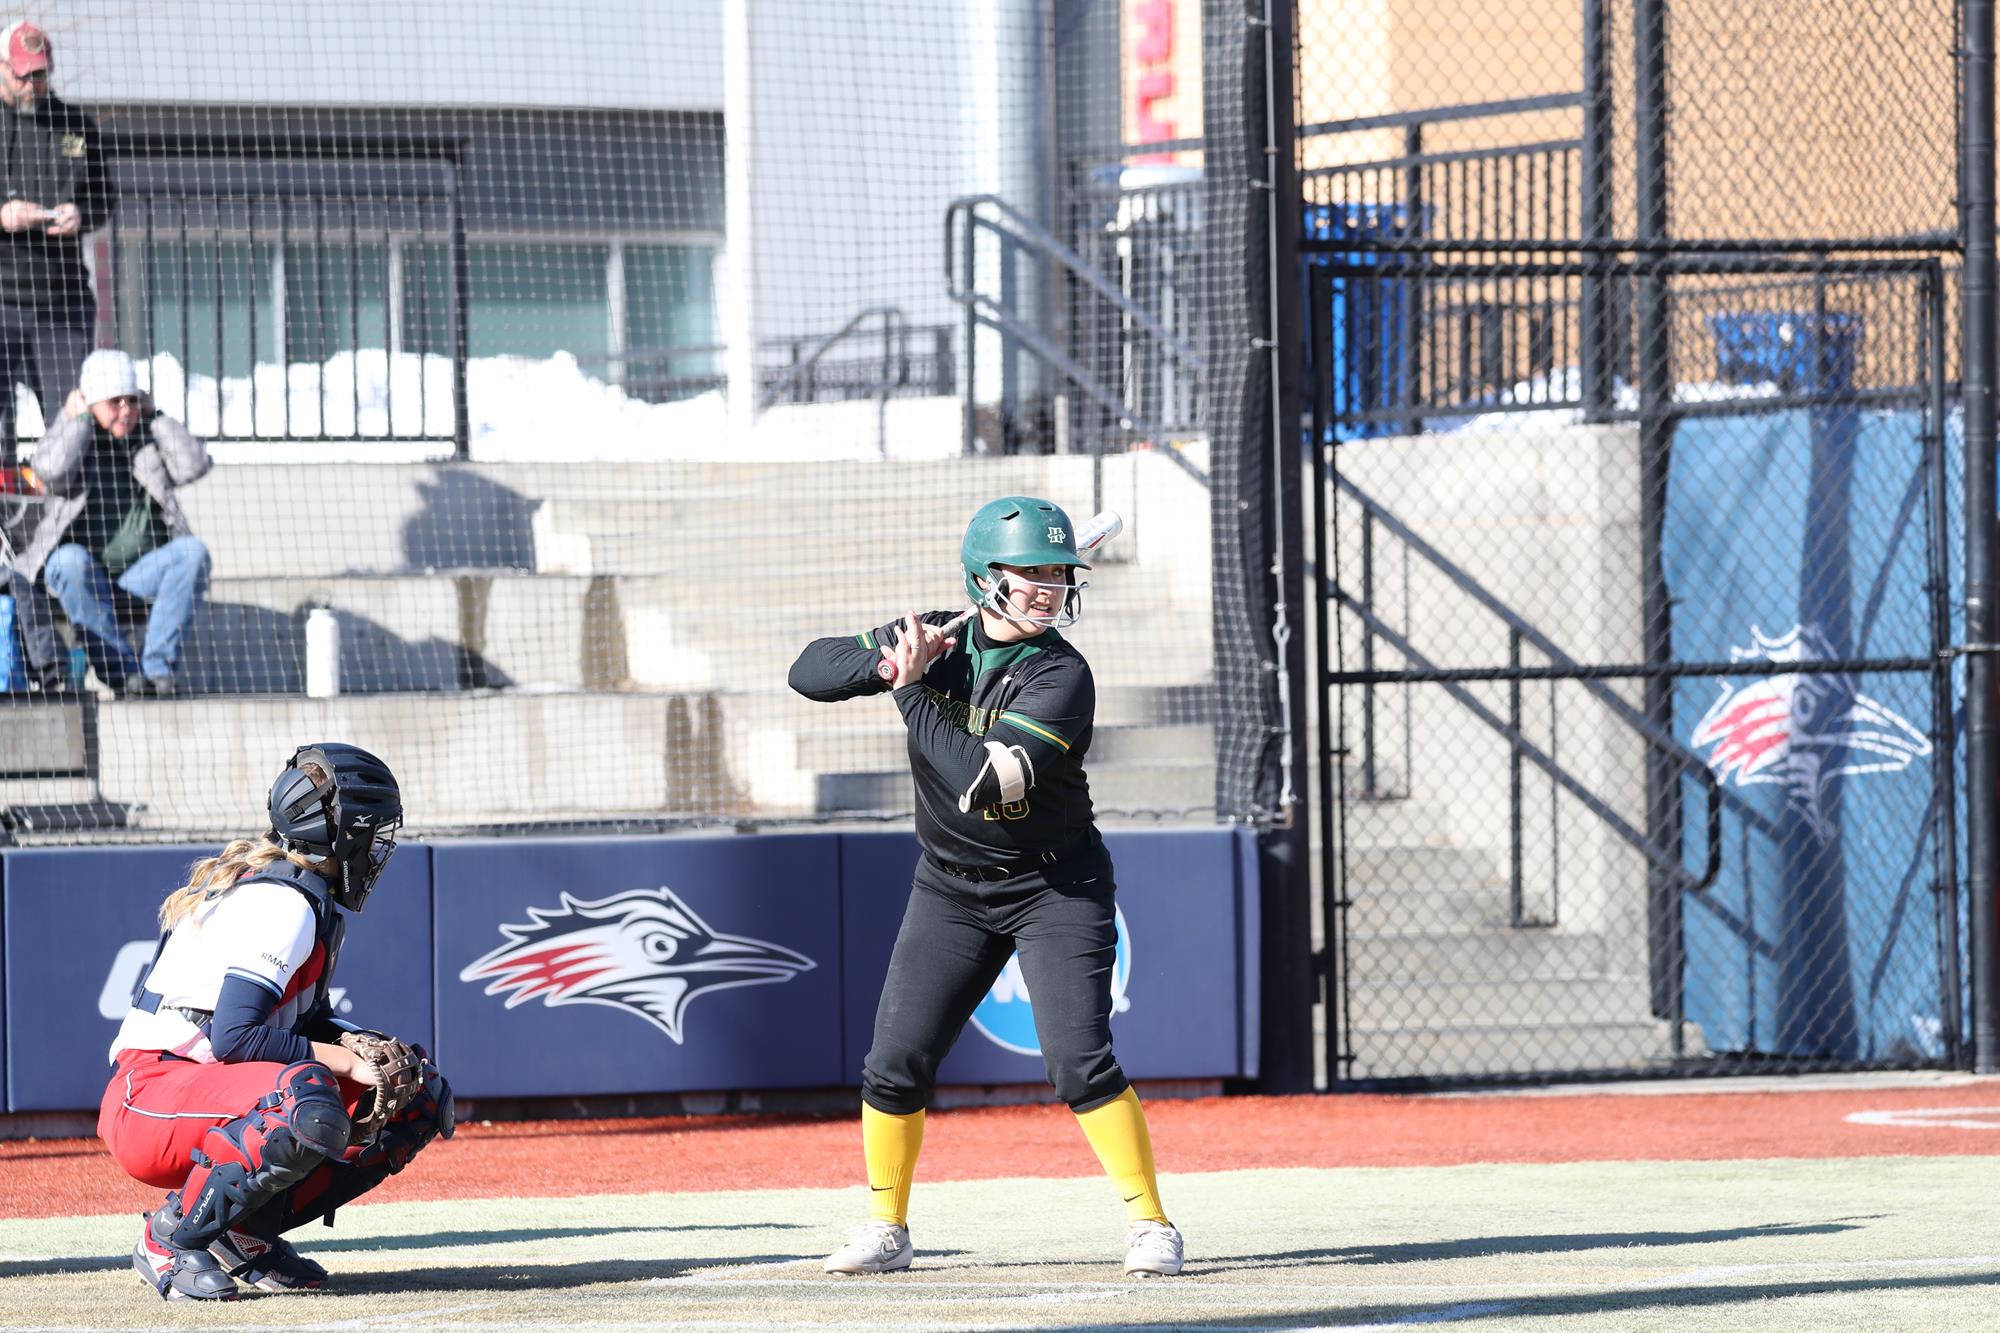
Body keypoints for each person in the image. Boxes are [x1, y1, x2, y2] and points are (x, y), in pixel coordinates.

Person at [788, 495, 1184, 1279]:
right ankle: (887, 1226)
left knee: (1079, 1062)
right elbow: (806, 671)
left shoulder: (1062, 674)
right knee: (893, 1059)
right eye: (1030, 572)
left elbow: (979, 778)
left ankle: (1151, 1223)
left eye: (1057, 572)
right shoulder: (944, 636)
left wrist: (909, 690)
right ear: (984, 577)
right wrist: (888, 659)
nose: (1048, 587)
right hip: (951, 888)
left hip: (1054, 888)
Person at [98, 743, 454, 1302]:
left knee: (419, 1093)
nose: (379, 846)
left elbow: (295, 1029)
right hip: (150, 1094)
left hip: (210, 1091)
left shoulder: (305, 900)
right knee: (306, 1096)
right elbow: (235, 1037)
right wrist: (344, 1060)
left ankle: (241, 1233)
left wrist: (361, 1047)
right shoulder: (281, 904)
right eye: (372, 830)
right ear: (338, 832)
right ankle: (169, 1236)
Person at [8, 347, 211, 696]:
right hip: (83, 579)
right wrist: (81, 421)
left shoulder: (147, 436)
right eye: (115, 401)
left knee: (192, 553)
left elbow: (194, 465)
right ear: (91, 403)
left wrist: (156, 416)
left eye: (132, 401)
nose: (126, 410)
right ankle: (123, 674)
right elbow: (49, 469)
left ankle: (156, 671)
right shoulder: (77, 433)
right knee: (68, 560)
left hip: (139, 576)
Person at [0, 20, 113, 469]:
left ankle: (65, 525)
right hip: (2, 299)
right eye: (24, 75)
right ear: (3, 67)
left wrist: (81, 215)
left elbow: (104, 197)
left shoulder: (74, 125)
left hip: (60, 299)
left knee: (69, 423)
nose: (33, 84)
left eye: (41, 74)